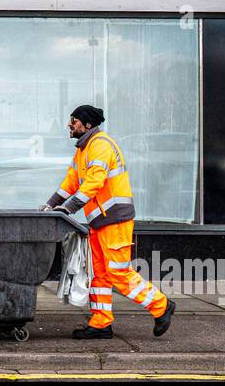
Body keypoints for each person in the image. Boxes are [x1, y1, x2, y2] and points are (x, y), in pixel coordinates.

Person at [39, 105, 176, 339]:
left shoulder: (100, 145)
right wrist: (50, 204)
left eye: (74, 121)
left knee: (118, 273)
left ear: (88, 125)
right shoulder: (83, 150)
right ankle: (101, 323)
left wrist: (69, 207)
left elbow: (94, 182)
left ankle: (161, 305)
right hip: (100, 222)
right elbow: (70, 182)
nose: (70, 125)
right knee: (99, 274)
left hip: (115, 220)